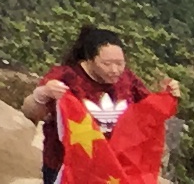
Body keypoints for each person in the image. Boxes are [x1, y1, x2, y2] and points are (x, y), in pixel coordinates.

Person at [28, 29, 181, 183]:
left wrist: (167, 95)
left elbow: (148, 112)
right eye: (106, 64)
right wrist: (43, 93)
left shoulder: (127, 80)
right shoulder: (65, 77)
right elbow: (30, 112)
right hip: (69, 167)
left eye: (120, 63)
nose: (115, 70)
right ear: (89, 59)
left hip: (112, 170)